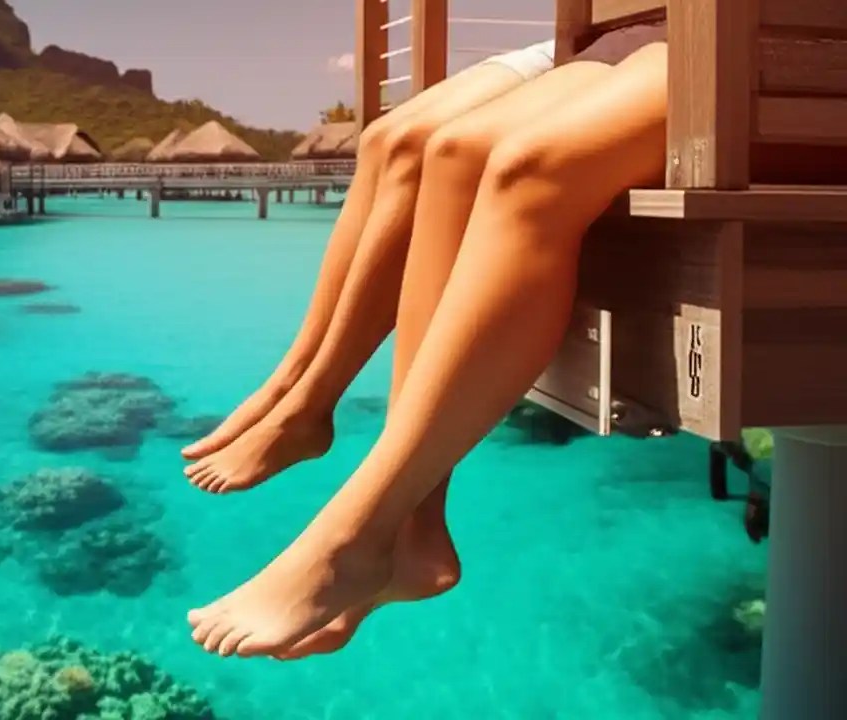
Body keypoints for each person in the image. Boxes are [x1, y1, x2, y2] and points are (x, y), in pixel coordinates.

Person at [185, 26, 672, 659]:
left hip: (753, 41)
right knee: (443, 152)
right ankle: (400, 513)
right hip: (636, 28)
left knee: (528, 170)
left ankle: (352, 535)